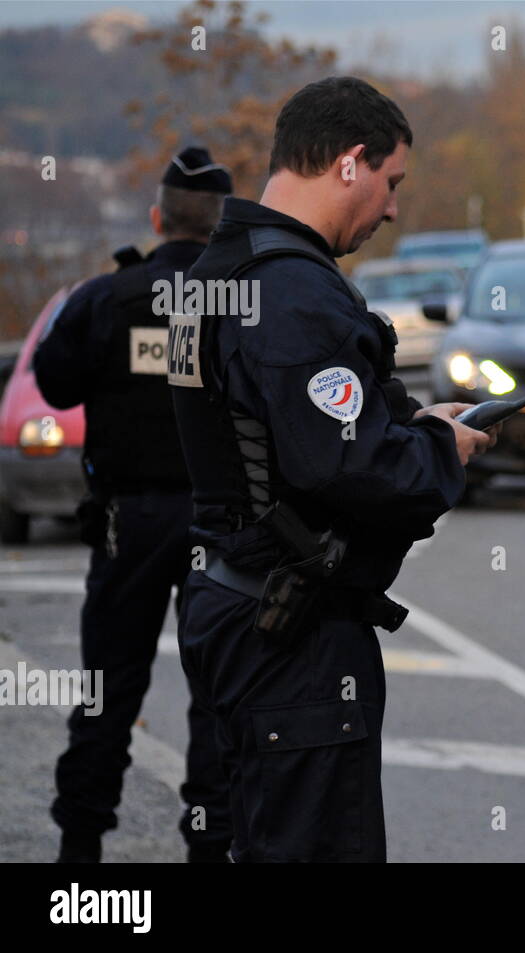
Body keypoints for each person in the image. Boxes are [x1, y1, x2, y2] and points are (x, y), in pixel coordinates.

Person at [169, 77, 494, 862]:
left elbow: (277, 433)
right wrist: (439, 450)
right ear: (350, 162)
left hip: (231, 604)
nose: (390, 209)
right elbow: (351, 468)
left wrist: (411, 423)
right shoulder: (292, 292)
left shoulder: (218, 271)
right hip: (292, 636)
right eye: (390, 183)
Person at [34, 146, 235, 863]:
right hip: (222, 527)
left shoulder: (105, 298)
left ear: (157, 218)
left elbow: (52, 386)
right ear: (222, 229)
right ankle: (211, 847)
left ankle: (80, 846)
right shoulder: (246, 305)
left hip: (129, 522)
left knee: (107, 691)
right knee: (217, 697)